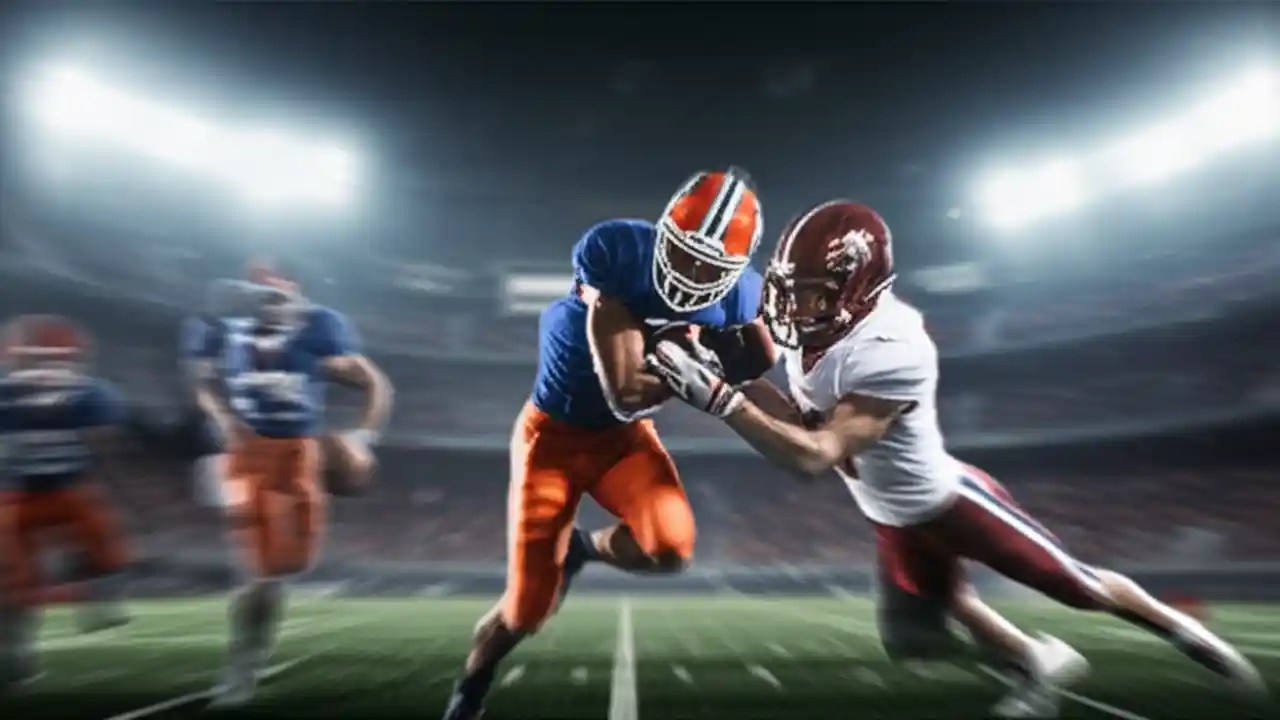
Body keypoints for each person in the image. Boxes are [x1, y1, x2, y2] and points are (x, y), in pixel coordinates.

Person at [646, 199, 1267, 718]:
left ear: (858, 289)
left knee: (1079, 588)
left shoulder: (892, 344)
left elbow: (816, 455)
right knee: (917, 640)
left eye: (813, 294)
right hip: (894, 517)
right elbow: (798, 421)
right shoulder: (811, 339)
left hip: (951, 504)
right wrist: (728, 380)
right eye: (792, 291)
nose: (794, 308)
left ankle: (1189, 633)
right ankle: (1038, 660)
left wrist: (726, 402)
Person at [442, 168, 777, 720]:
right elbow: (623, 391)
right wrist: (696, 368)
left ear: (736, 272)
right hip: (551, 439)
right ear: (663, 231)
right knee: (527, 612)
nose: (692, 274)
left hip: (624, 443)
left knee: (671, 549)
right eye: (684, 253)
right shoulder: (618, 255)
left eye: (710, 266)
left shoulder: (741, 297)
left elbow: (755, 365)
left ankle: (584, 549)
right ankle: (473, 684)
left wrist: (762, 388)